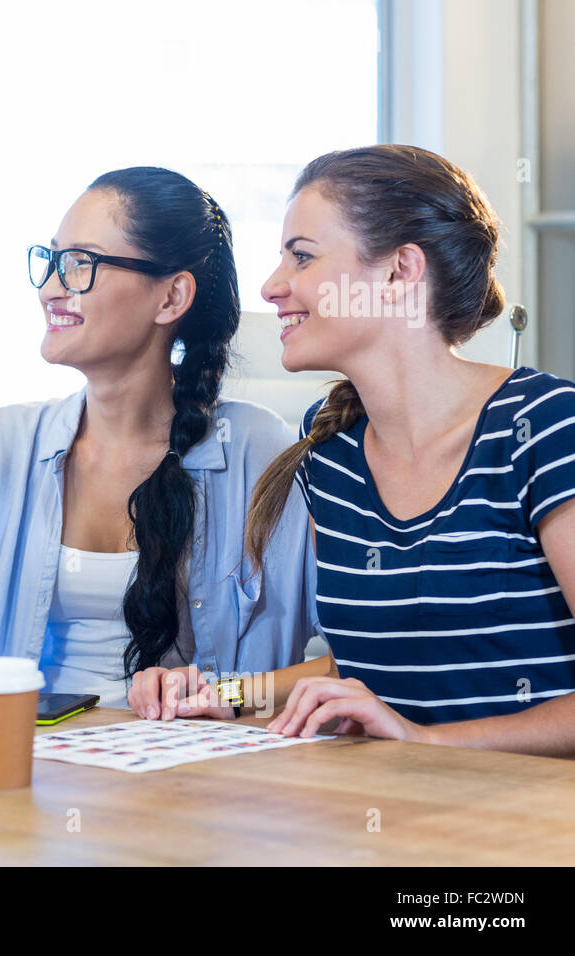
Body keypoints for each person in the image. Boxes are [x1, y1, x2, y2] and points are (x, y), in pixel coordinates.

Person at [134, 145, 575, 756]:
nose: (272, 285)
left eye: (303, 257)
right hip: (395, 822)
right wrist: (224, 695)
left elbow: (413, 725)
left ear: (399, 272)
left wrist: (423, 741)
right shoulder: (331, 450)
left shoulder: (548, 427)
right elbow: (366, 671)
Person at [0, 166, 316, 708]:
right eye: (52, 260)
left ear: (172, 297)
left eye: (81, 264)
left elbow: (355, 656)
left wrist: (229, 695)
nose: (52, 288)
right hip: (22, 763)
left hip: (197, 775)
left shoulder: (262, 453)